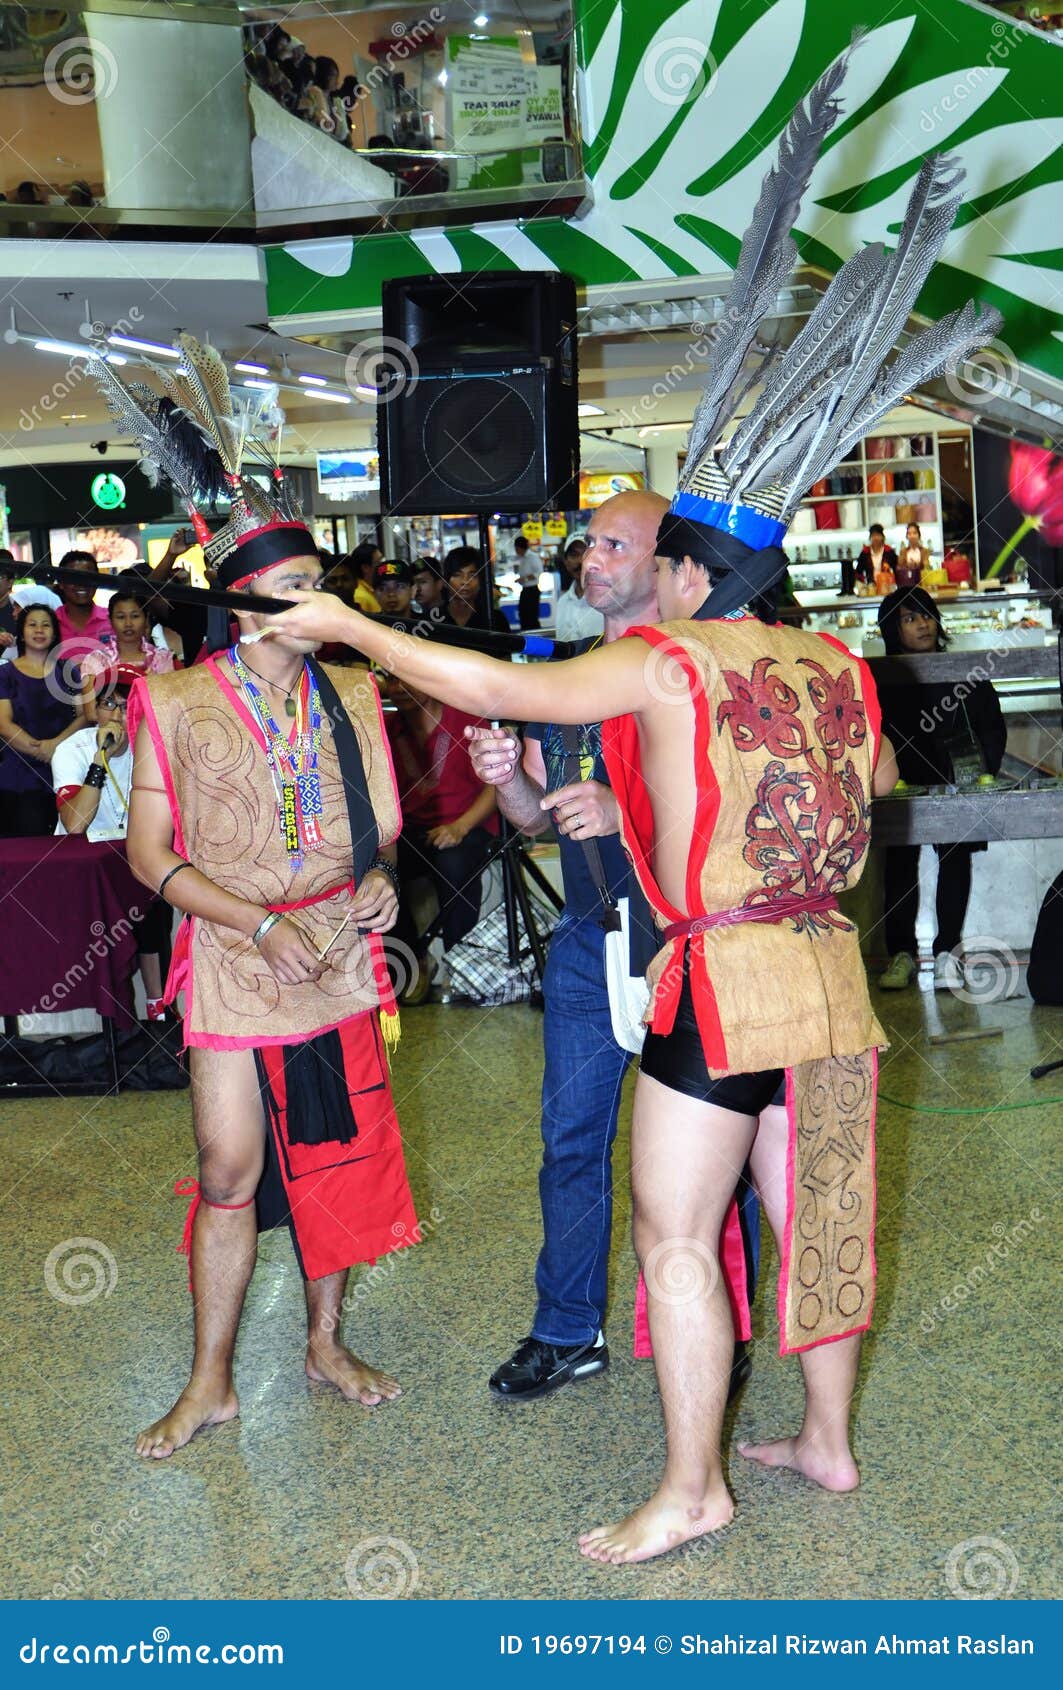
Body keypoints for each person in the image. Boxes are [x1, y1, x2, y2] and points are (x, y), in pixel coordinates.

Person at [261, 57, 994, 1561]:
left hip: (715, 983)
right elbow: (871, 792)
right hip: (831, 978)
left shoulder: (662, 656)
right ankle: (829, 1447)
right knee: (819, 1224)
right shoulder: (828, 656)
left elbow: (498, 689)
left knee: (672, 1236)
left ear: (678, 576)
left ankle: (694, 1483)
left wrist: (352, 626)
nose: (636, 570)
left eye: (649, 554)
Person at [107, 337, 418, 1461]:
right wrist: (255, 921)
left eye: (316, 588)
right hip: (241, 960)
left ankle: (326, 1341)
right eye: (295, 593)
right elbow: (149, 856)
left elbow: (383, 823)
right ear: (242, 607)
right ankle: (210, 1381)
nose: (314, 606)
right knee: (229, 1165)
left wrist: (376, 881)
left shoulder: (353, 686)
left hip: (337, 953)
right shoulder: (176, 700)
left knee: (332, 1156)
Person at [467, 490, 759, 1402]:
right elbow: (551, 824)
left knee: (723, 1156)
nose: (589, 559)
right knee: (572, 1141)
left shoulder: (707, 673)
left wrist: (624, 815)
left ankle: (722, 1322)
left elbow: (743, 823)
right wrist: (512, 784)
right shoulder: (573, 683)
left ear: (672, 566)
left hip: (693, 947)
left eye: (612, 544)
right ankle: (565, 1330)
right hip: (591, 940)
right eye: (586, 544)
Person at [875, 586, 1006, 992]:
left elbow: (991, 726)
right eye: (910, 618)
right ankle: (901, 953)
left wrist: (980, 774)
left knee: (955, 864)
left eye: (927, 615)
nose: (923, 624)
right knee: (898, 869)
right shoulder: (883, 677)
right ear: (892, 629)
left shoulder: (964, 671)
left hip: (956, 786)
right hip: (901, 789)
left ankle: (949, 951)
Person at [53, 680, 170, 1020]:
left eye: (125, 705)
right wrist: (99, 761)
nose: (116, 715)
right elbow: (75, 824)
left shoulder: (148, 747)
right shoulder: (71, 750)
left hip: (131, 853)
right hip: (84, 861)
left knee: (153, 886)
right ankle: (114, 1017)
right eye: (108, 704)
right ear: (95, 711)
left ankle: (157, 1007)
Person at [385, 676, 498, 1005]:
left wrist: (460, 827)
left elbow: (496, 784)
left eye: (408, 678)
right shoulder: (388, 727)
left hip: (468, 825)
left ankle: (461, 967)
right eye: (391, 680)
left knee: (454, 862)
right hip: (416, 830)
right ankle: (412, 962)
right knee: (379, 865)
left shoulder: (466, 720)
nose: (400, 687)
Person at [0, 605, 87, 836]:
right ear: (22, 631)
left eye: (46, 624)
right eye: (32, 624)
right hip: (18, 773)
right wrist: (41, 750)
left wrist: (55, 746)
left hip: (65, 767)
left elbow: (83, 716)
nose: (39, 630)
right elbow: (3, 725)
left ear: (55, 632)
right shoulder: (5, 673)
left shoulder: (67, 669)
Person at [80, 584, 176, 713]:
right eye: (120, 617)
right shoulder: (95, 659)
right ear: (110, 621)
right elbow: (91, 713)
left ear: (146, 619)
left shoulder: (162, 658)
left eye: (135, 616)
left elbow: (167, 707)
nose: (128, 624)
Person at [54, 550, 112, 658]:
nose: (81, 584)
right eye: (74, 578)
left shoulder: (113, 619)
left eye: (88, 577)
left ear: (97, 581)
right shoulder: (50, 623)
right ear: (61, 583)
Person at [443, 545, 509, 634]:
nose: (465, 581)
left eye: (472, 575)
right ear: (446, 581)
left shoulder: (495, 619)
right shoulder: (432, 621)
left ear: (481, 581)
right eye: (457, 575)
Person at [553, 537, 605, 641]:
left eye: (586, 553)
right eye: (574, 555)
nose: (580, 561)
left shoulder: (607, 602)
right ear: (566, 562)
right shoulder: (563, 602)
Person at [513, 534, 544, 630]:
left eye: (516, 548)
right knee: (523, 615)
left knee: (531, 617)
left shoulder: (532, 557)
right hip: (525, 590)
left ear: (519, 547)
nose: (515, 550)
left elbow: (538, 572)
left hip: (532, 590)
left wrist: (524, 579)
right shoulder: (522, 558)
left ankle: (535, 638)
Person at [855, 523, 897, 588]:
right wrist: (861, 585)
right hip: (870, 586)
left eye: (878, 535)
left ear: (882, 536)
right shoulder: (865, 552)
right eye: (873, 535)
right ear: (870, 537)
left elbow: (896, 568)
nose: (876, 538)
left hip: (886, 586)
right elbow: (859, 571)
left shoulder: (888, 551)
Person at [348, 543, 382, 613]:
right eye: (379, 562)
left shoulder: (372, 589)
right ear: (365, 568)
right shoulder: (361, 597)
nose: (383, 566)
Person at [895, 521, 931, 588]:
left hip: (921, 584)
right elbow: (899, 567)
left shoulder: (924, 551)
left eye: (914, 533)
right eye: (909, 533)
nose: (912, 536)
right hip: (906, 583)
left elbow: (927, 567)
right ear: (907, 536)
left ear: (919, 535)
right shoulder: (903, 551)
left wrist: (917, 565)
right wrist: (908, 566)